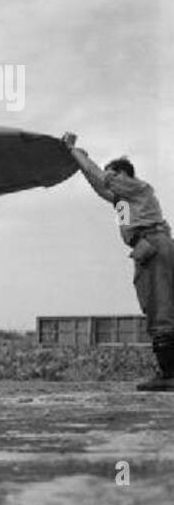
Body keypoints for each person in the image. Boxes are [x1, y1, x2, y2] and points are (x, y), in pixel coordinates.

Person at [62, 134, 174, 391]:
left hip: (152, 244)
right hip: (150, 246)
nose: (110, 179)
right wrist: (82, 161)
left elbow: (103, 178)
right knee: (158, 307)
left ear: (123, 175)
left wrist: (72, 150)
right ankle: (168, 370)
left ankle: (169, 374)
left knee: (161, 309)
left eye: (113, 174)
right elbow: (100, 185)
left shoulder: (135, 186)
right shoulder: (124, 202)